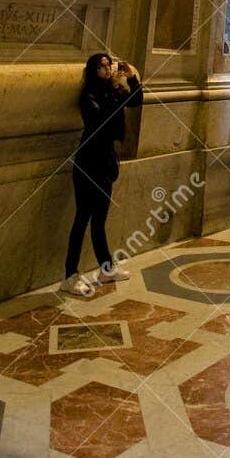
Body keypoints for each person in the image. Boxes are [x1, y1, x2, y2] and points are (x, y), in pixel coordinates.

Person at [62, 52, 141, 297]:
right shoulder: (89, 96)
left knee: (99, 219)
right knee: (82, 218)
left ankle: (106, 269)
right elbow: (101, 120)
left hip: (106, 162)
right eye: (102, 67)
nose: (107, 70)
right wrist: (115, 89)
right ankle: (69, 275)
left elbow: (136, 101)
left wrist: (132, 79)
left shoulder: (112, 91)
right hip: (88, 163)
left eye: (109, 65)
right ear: (92, 70)